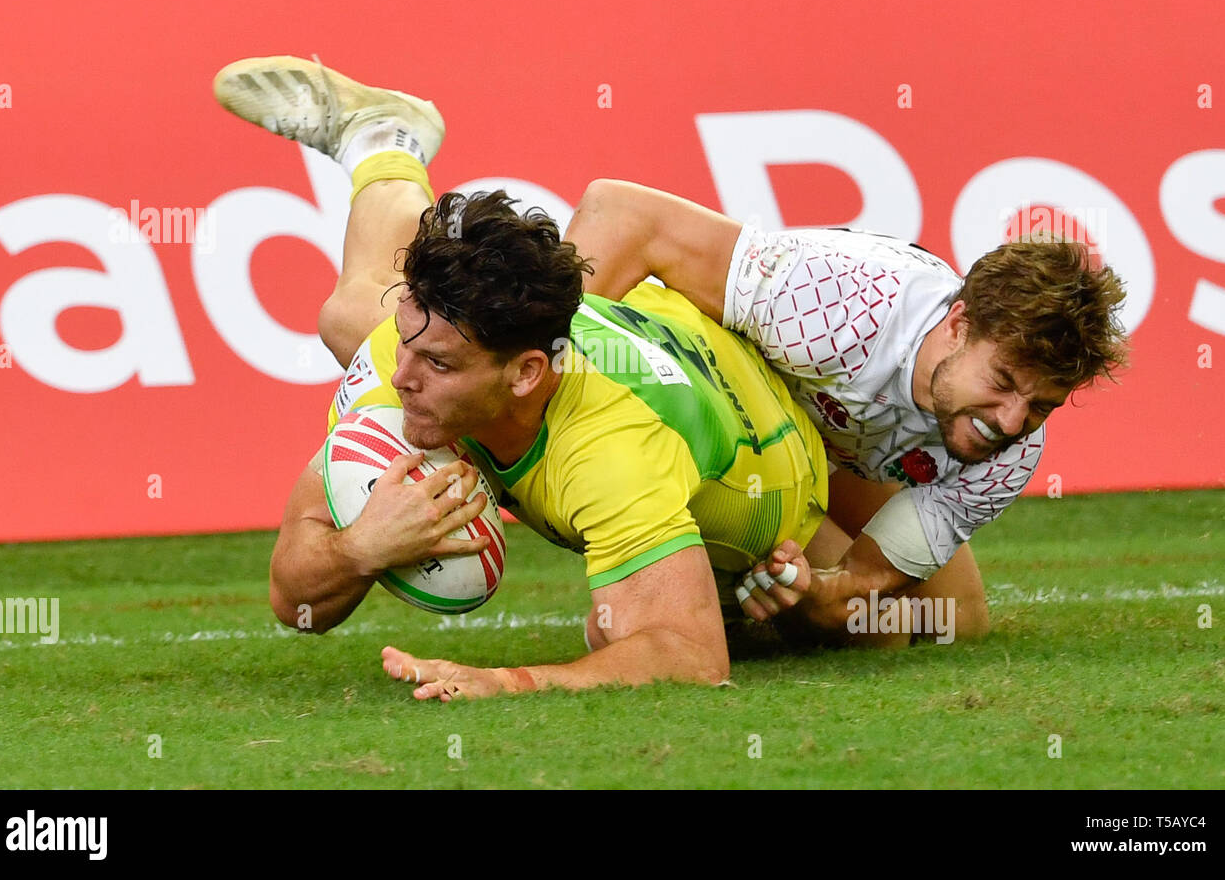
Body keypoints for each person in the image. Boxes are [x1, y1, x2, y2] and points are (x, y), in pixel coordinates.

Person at [215, 56, 857, 701]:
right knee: (353, 317)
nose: (402, 379)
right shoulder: (402, 359)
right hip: (650, 342)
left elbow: (692, 658)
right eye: (410, 346)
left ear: (525, 374)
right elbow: (294, 599)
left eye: (436, 363)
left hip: (801, 448)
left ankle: (384, 141)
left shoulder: (615, 452)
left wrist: (509, 681)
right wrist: (358, 548)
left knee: (919, 623)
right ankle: (384, 140)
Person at [561, 180, 1129, 636]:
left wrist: (812, 592)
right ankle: (671, 607)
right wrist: (560, 389)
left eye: (1040, 406)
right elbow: (620, 213)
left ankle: (727, 599)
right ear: (958, 326)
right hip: (721, 409)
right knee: (876, 634)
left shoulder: (1013, 449)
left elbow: (861, 581)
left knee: (952, 619)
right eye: (1002, 381)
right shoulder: (835, 301)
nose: (1009, 422)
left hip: (826, 446)